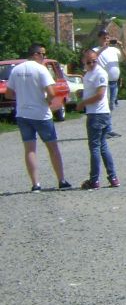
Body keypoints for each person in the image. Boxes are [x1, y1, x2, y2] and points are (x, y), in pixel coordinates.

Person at [9, 43, 71, 193]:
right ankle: (61, 180)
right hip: (41, 114)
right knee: (52, 147)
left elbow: (9, 94)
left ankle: (36, 184)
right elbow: (51, 91)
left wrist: (23, 96)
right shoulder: (41, 69)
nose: (44, 57)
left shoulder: (16, 70)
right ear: (35, 54)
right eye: (42, 54)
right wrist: (47, 101)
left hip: (23, 113)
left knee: (30, 149)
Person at [77, 48, 119, 189]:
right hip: (96, 113)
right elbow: (92, 91)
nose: (92, 64)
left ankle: (94, 180)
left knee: (95, 147)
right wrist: (82, 93)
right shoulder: (88, 73)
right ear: (84, 61)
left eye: (94, 61)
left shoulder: (100, 72)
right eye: (89, 62)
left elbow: (100, 95)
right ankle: (113, 178)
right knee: (102, 146)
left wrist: (83, 103)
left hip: (98, 114)